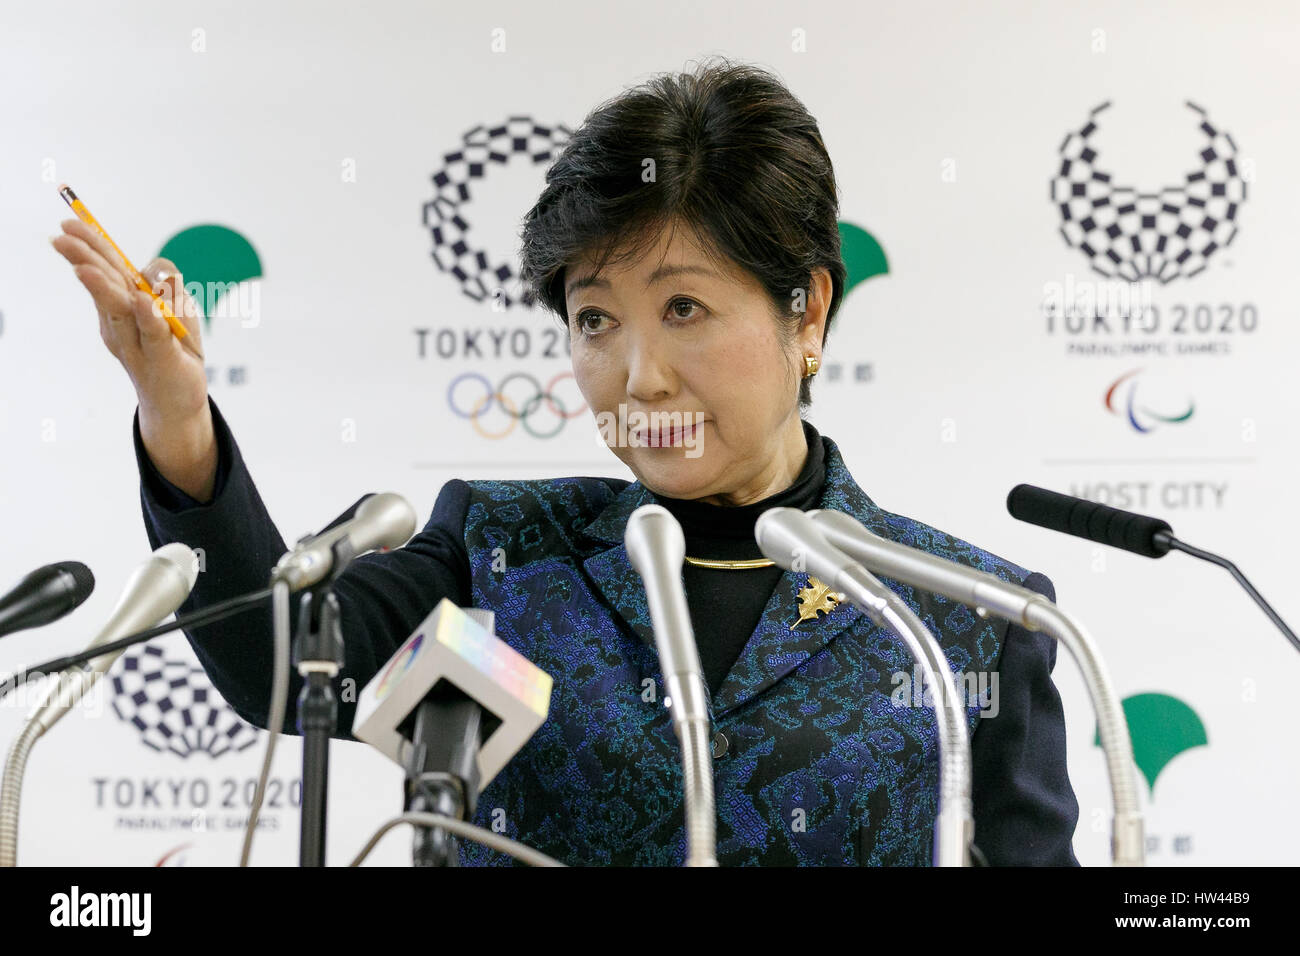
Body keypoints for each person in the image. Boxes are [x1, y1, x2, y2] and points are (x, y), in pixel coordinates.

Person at [52, 56, 1080, 866]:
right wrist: (177, 420)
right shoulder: (505, 560)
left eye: (683, 307)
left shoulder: (964, 619)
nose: (638, 377)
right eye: (596, 318)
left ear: (805, 309)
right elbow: (283, 664)